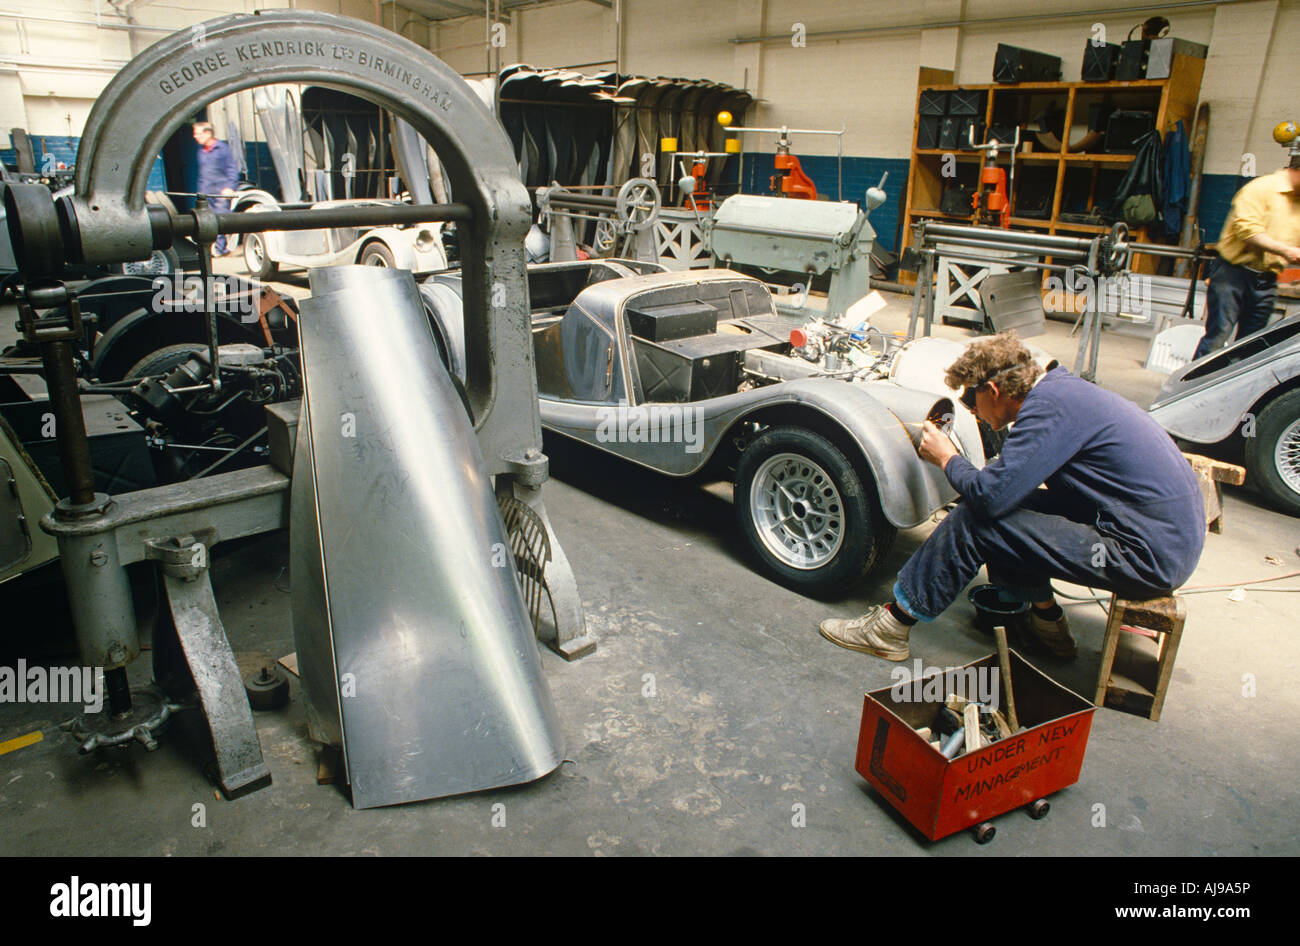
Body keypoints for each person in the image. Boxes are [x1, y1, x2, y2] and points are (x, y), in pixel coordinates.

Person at [819, 332, 1206, 662]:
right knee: (1014, 508)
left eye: (972, 403)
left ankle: (891, 626)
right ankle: (1047, 626)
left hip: (1145, 553)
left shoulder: (1048, 410)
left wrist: (947, 458)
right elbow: (1010, 489)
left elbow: (989, 499)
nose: (973, 412)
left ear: (994, 390)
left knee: (976, 520)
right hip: (1159, 535)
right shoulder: (1061, 394)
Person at [1193, 154, 1300, 358]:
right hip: (1233, 275)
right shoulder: (1261, 189)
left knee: (1252, 344)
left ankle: (1233, 389)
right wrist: (1287, 251)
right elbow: (1248, 231)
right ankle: (1191, 388)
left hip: (1266, 279)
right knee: (1218, 335)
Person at [192, 121, 241, 257]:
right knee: (207, 221)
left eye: (198, 134)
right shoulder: (201, 151)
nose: (195, 137)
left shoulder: (222, 148)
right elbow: (203, 173)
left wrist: (230, 187)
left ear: (208, 133)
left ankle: (222, 249)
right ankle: (214, 248)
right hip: (205, 193)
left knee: (221, 220)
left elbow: (232, 169)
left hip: (220, 192)